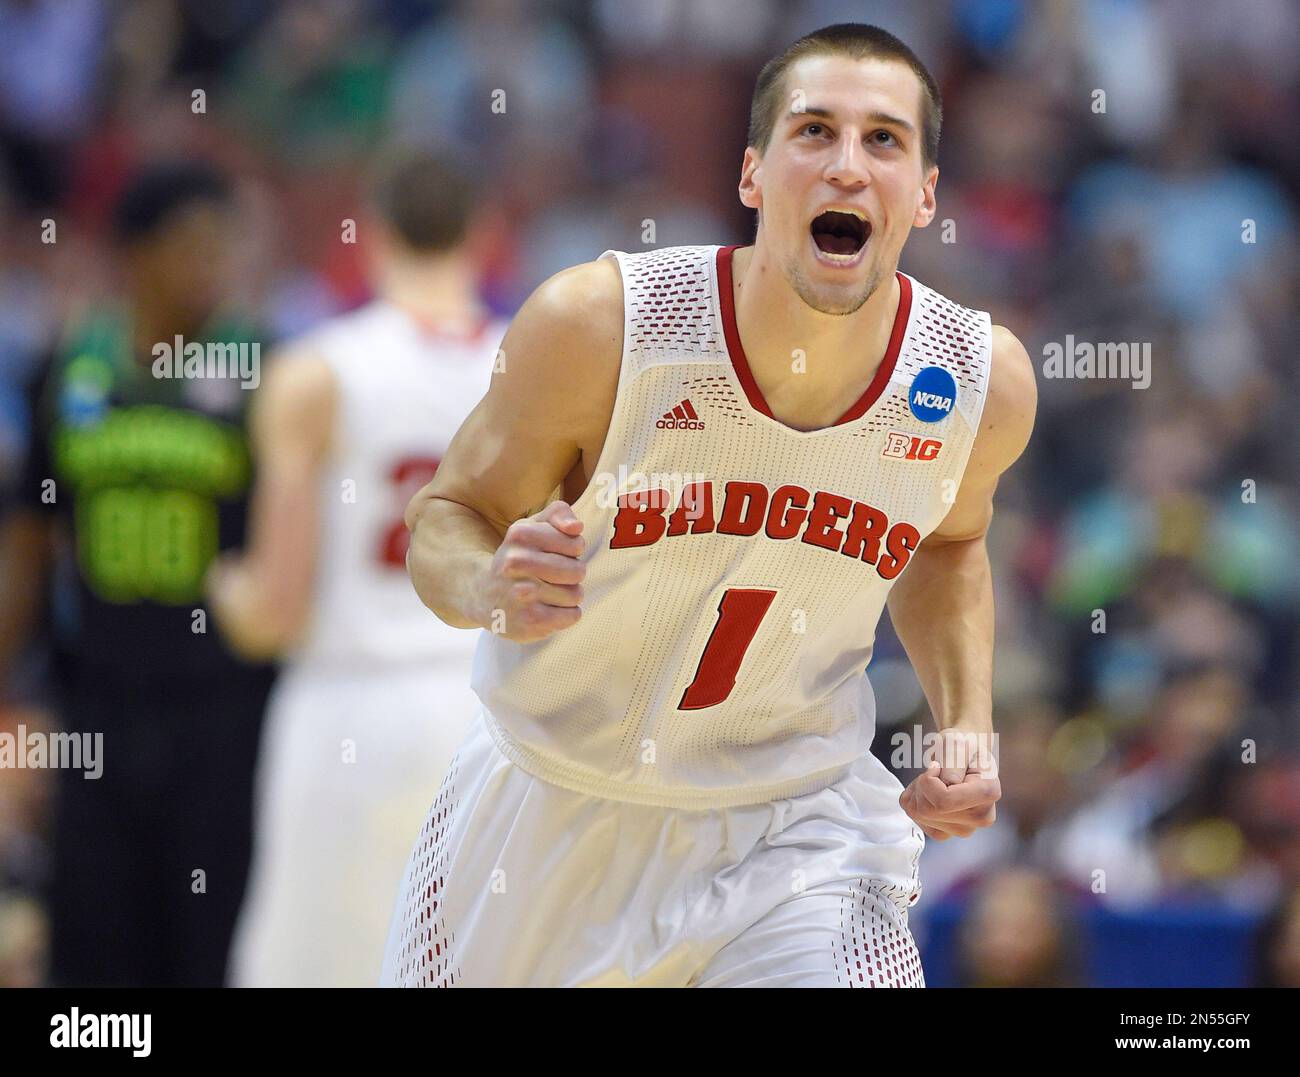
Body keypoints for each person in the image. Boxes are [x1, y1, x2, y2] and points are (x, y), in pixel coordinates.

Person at [384, 22, 1037, 988]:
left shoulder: (978, 382)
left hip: (797, 830)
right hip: (550, 813)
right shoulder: (602, 325)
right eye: (814, 132)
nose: (848, 166)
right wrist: (490, 582)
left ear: (927, 194)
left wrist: (966, 721)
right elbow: (446, 514)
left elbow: (949, 544)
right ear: (752, 174)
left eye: (885, 140)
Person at [211, 148, 506, 986]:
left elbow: (272, 606)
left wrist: (220, 590)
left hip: (349, 706)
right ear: (483, 238)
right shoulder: (531, 371)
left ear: (371, 234)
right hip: (485, 711)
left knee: (316, 967)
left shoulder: (316, 372)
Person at [0, 161, 276, 986]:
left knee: (213, 928)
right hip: (98, 696)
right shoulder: (69, 369)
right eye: (192, 248)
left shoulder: (269, 369)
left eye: (222, 247)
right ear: (134, 256)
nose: (213, 267)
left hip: (224, 702)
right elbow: (28, 541)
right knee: (93, 932)